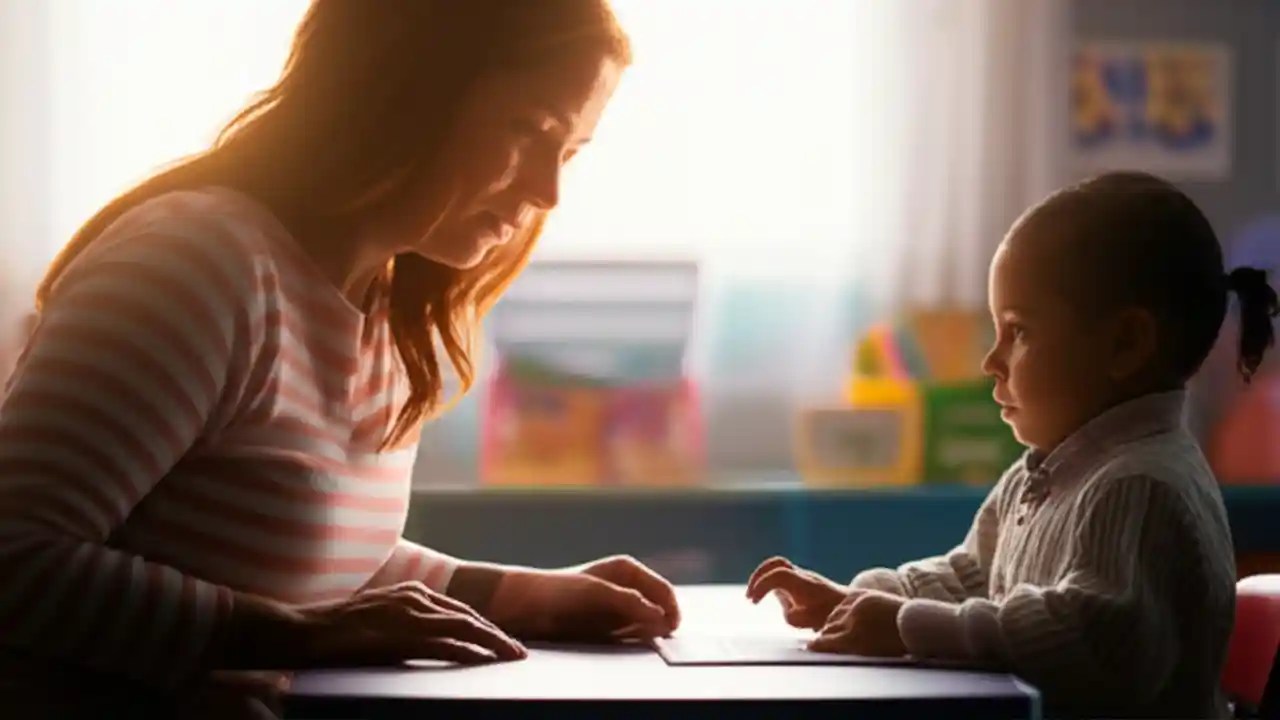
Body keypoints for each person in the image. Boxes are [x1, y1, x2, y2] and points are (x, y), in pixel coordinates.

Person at [0, 1, 682, 717]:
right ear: (402, 88)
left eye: (569, 152)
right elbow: (13, 554)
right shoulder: (196, 265)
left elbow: (307, 552)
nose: (548, 191)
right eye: (529, 130)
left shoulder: (381, 304)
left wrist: (515, 593)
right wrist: (294, 637)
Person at [746, 171, 1279, 719]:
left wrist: (906, 625)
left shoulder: (1141, 486)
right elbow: (971, 577)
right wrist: (861, 599)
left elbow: (1089, 641)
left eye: (1018, 331)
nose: (990, 361)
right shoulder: (1045, 473)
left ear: (1125, 344)